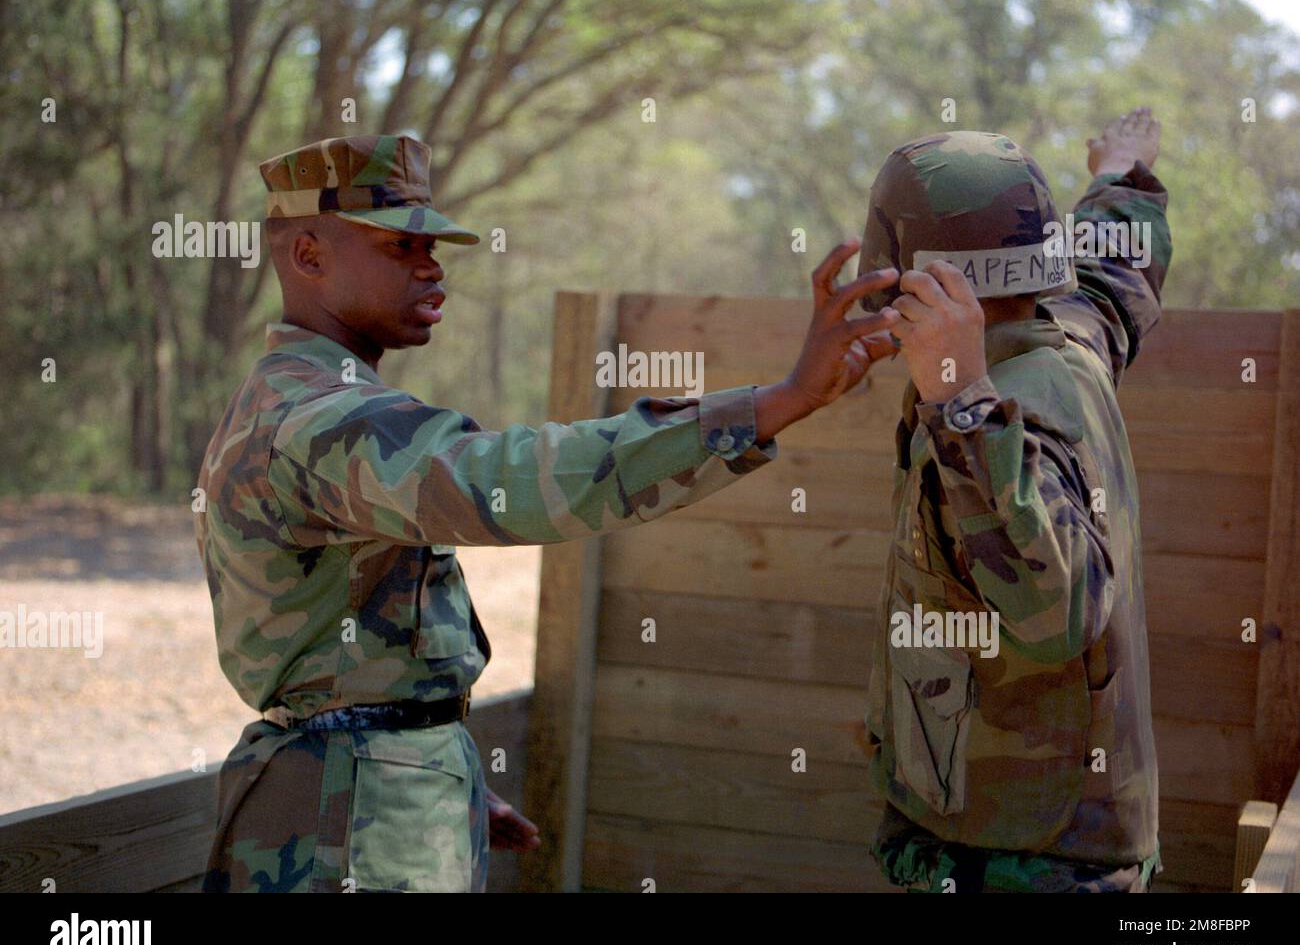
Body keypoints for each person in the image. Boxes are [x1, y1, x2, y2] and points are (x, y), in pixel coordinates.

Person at [197, 133, 899, 892]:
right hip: (348, 815)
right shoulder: (318, 420)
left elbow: (348, 663)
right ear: (308, 256)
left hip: (361, 794)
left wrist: (441, 769)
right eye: (401, 246)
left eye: (434, 246)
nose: (433, 266)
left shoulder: (290, 399)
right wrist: (781, 401)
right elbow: (512, 483)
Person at [858, 108, 1170, 892]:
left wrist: (961, 401)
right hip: (1052, 831)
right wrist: (1119, 176)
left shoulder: (989, 419)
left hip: (1024, 857)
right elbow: (1114, 273)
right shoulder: (1070, 338)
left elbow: (1055, 614)